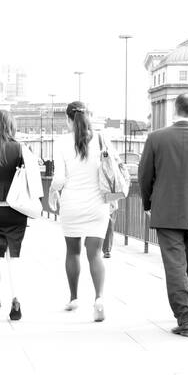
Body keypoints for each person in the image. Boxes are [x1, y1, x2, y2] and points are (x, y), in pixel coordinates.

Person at [140, 93, 188, 336]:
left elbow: (144, 175)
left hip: (166, 215)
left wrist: (147, 203)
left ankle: (185, 316)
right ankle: (187, 294)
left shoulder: (156, 138)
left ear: (175, 108)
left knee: (175, 264)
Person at [50, 101, 111, 322]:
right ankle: (99, 298)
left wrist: (52, 190)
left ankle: (74, 297)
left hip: (72, 205)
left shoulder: (62, 142)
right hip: (98, 204)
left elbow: (59, 178)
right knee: (95, 253)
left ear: (68, 119)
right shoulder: (102, 138)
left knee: (73, 251)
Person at [0, 110, 37, 320]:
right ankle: (16, 298)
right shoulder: (20, 148)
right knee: (14, 256)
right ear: (11, 125)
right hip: (15, 208)